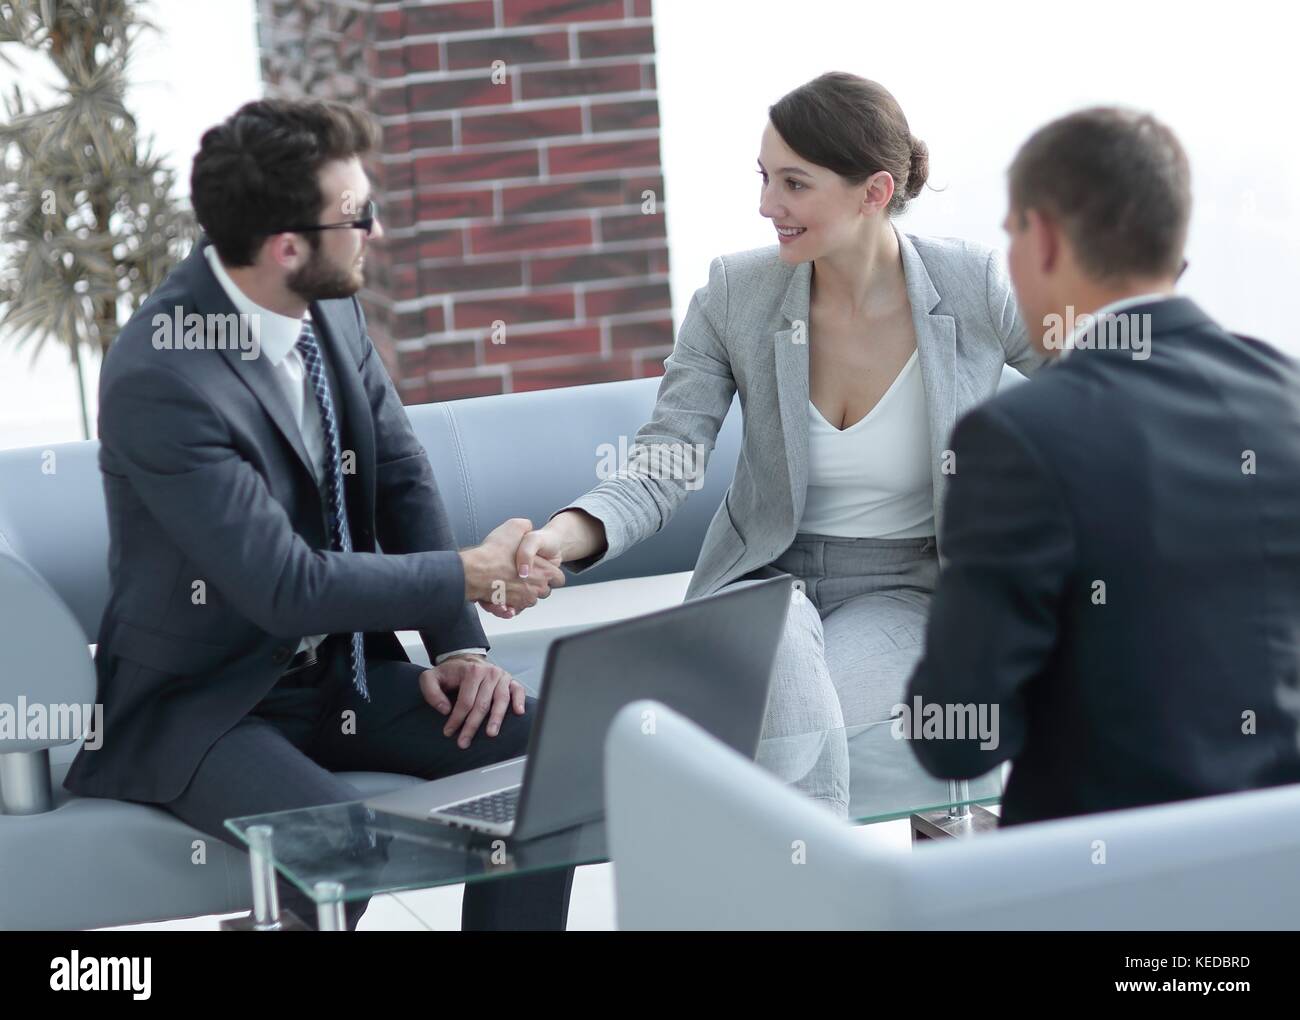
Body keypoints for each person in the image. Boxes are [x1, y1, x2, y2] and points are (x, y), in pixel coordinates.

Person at [62, 99, 573, 929]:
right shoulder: (159, 376)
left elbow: (400, 472)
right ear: (287, 246)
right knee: (347, 848)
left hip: (346, 674)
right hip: (209, 705)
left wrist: (460, 644)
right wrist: (470, 571)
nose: (372, 229)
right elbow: (284, 587)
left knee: (552, 758)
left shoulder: (328, 302)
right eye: (356, 215)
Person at [497, 72, 1043, 815]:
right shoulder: (736, 294)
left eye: (794, 183)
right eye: (764, 177)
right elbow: (667, 460)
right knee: (785, 660)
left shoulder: (972, 284)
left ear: (874, 192)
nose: (766, 206)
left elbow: (1098, 394)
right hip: (763, 579)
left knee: (791, 729)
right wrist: (565, 537)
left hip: (904, 591)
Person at [905, 106, 1300, 824]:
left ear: (1045, 238)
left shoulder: (1014, 438)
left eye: (1010, 236)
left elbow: (959, 739)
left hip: (1101, 888)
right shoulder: (1288, 396)